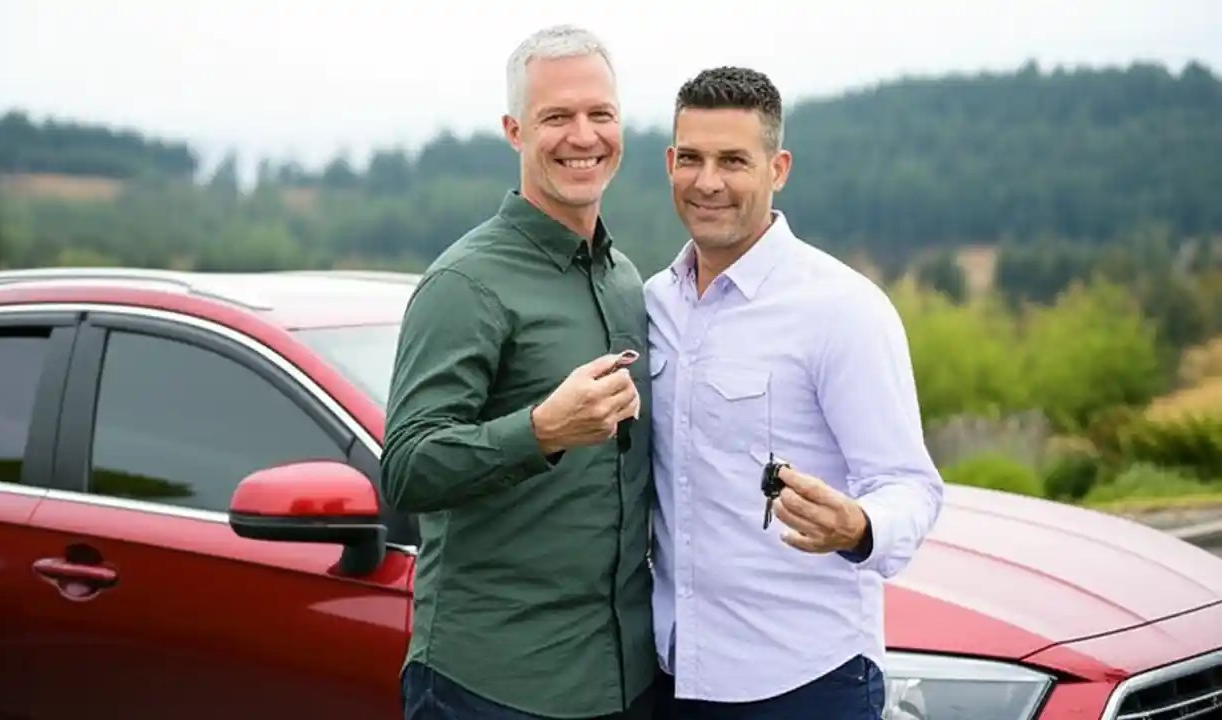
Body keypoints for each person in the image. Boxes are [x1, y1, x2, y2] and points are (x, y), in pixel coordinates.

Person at [644, 66, 946, 719]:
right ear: (669, 162)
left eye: (734, 161)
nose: (708, 182)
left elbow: (910, 484)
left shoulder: (842, 310)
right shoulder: (650, 306)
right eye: (691, 158)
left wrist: (860, 525)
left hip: (806, 682)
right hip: (670, 677)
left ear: (778, 168)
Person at [381, 24, 658, 720]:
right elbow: (407, 467)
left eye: (600, 114)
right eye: (556, 117)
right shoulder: (465, 283)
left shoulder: (626, 281)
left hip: (625, 680)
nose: (583, 136)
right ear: (514, 130)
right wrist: (539, 429)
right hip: (492, 687)